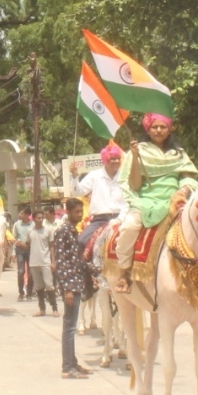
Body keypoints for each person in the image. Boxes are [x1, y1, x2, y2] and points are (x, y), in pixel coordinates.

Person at [114, 113, 198, 290]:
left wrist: (183, 190)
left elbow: (189, 179)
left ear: (169, 129)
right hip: (146, 203)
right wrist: (136, 158)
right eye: (155, 127)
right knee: (128, 227)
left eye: (163, 127)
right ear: (148, 129)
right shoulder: (138, 150)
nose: (159, 130)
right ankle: (124, 271)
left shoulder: (179, 153)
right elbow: (135, 184)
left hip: (176, 202)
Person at [53, 199, 91, 378]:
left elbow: (77, 260)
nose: (80, 215)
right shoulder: (62, 231)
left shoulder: (74, 231)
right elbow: (61, 262)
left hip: (77, 282)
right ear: (67, 212)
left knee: (71, 326)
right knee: (69, 327)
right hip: (71, 285)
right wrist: (67, 288)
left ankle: (73, 362)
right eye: (76, 212)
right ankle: (67, 367)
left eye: (81, 211)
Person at [70, 141, 127, 247]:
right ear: (105, 160)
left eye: (118, 158)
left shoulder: (125, 177)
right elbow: (77, 192)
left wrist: (119, 219)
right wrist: (74, 177)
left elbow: (128, 201)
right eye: (113, 159)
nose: (116, 161)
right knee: (81, 241)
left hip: (122, 218)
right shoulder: (94, 175)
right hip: (99, 220)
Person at [28, 211, 58, 318]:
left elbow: (51, 247)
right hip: (33, 262)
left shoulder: (48, 231)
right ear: (34, 219)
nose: (40, 220)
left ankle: (54, 308)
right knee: (39, 287)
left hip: (45, 261)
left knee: (49, 285)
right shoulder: (30, 231)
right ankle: (42, 309)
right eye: (38, 218)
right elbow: (28, 245)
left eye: (42, 218)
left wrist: (53, 261)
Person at [12, 208, 34, 301]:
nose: (20, 215)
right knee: (21, 272)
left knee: (30, 273)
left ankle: (29, 293)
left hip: (31, 250)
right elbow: (14, 238)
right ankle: (21, 293)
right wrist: (13, 253)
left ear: (27, 215)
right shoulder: (17, 224)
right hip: (20, 249)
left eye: (22, 213)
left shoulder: (33, 225)